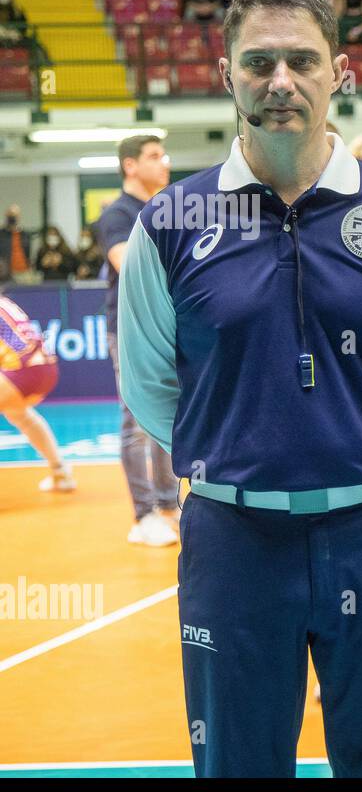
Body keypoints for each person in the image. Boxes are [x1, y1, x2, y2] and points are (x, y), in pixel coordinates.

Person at [118, 0, 362, 777]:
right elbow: (150, 383)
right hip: (233, 541)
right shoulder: (172, 222)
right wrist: (238, 453)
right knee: (238, 765)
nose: (281, 81)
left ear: (341, 73)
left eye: (302, 60)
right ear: (226, 75)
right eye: (259, 63)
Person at [94, 135, 180, 549]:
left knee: (167, 414)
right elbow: (126, 263)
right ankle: (143, 515)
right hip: (129, 330)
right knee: (136, 421)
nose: (164, 162)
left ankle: (168, 504)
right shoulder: (118, 214)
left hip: (165, 326)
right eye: (153, 156)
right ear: (130, 165)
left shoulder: (164, 209)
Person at [0, 294, 74, 493]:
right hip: (45, 369)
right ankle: (60, 472)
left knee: (19, 414)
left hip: (22, 370)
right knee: (20, 415)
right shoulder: (4, 302)